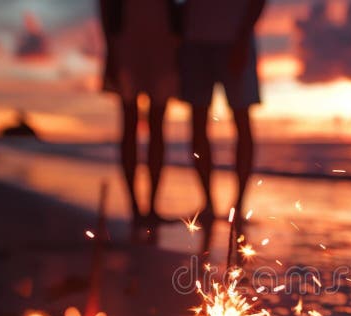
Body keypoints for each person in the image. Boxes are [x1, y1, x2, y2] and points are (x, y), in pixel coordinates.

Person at [178, 0, 266, 222]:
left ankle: (239, 204)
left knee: (241, 119)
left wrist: (243, 35)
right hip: (194, 39)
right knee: (199, 122)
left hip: (235, 37)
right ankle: (208, 203)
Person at [100, 0, 182, 228]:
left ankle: (152, 207)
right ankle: (136, 207)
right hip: (126, 36)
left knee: (157, 125)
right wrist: (111, 47)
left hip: (162, 37)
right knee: (130, 121)